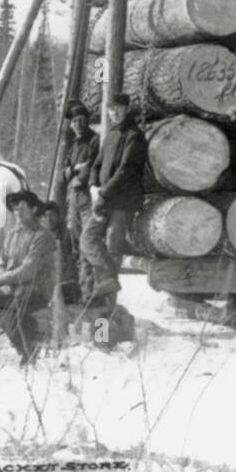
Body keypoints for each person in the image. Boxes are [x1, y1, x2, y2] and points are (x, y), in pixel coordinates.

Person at [80, 93, 147, 311]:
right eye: (110, 109)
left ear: (127, 109)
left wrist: (103, 193)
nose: (114, 112)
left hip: (121, 203)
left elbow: (126, 170)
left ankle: (108, 306)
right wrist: (92, 187)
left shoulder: (134, 136)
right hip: (103, 200)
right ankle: (107, 280)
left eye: (118, 108)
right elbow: (97, 164)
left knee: (112, 247)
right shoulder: (110, 134)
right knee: (88, 239)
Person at [0, 191, 55, 365]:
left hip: (35, 289)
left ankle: (28, 351)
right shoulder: (12, 234)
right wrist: (1, 277)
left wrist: (2, 280)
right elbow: (0, 262)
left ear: (34, 209)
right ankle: (25, 336)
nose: (17, 214)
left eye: (21, 209)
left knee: (14, 311)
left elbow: (28, 270)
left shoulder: (43, 237)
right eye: (14, 210)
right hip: (13, 288)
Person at [61, 100, 99, 269]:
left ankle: (92, 286)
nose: (77, 125)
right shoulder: (74, 145)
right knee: (75, 239)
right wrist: (75, 168)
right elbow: (62, 174)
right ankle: (83, 286)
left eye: (81, 120)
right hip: (73, 197)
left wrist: (73, 172)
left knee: (87, 241)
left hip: (87, 197)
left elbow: (87, 171)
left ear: (87, 120)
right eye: (74, 121)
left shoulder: (95, 141)